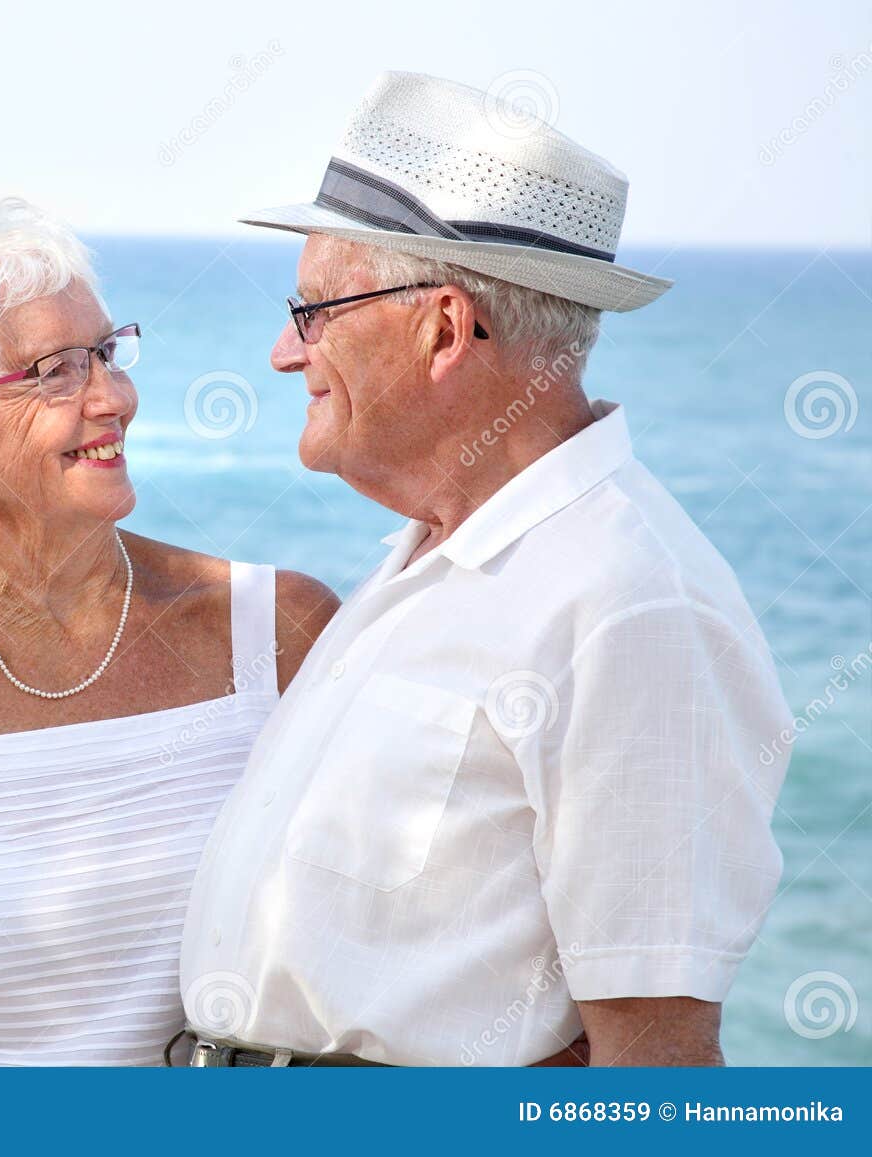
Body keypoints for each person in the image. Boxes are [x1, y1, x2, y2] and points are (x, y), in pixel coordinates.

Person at [173, 71, 793, 1067]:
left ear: (444, 328)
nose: (286, 352)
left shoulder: (627, 605)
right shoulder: (435, 552)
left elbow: (657, 1058)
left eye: (315, 307)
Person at [0, 198, 339, 1065]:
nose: (114, 396)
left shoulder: (282, 630)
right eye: (55, 371)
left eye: (108, 354)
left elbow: (390, 920)